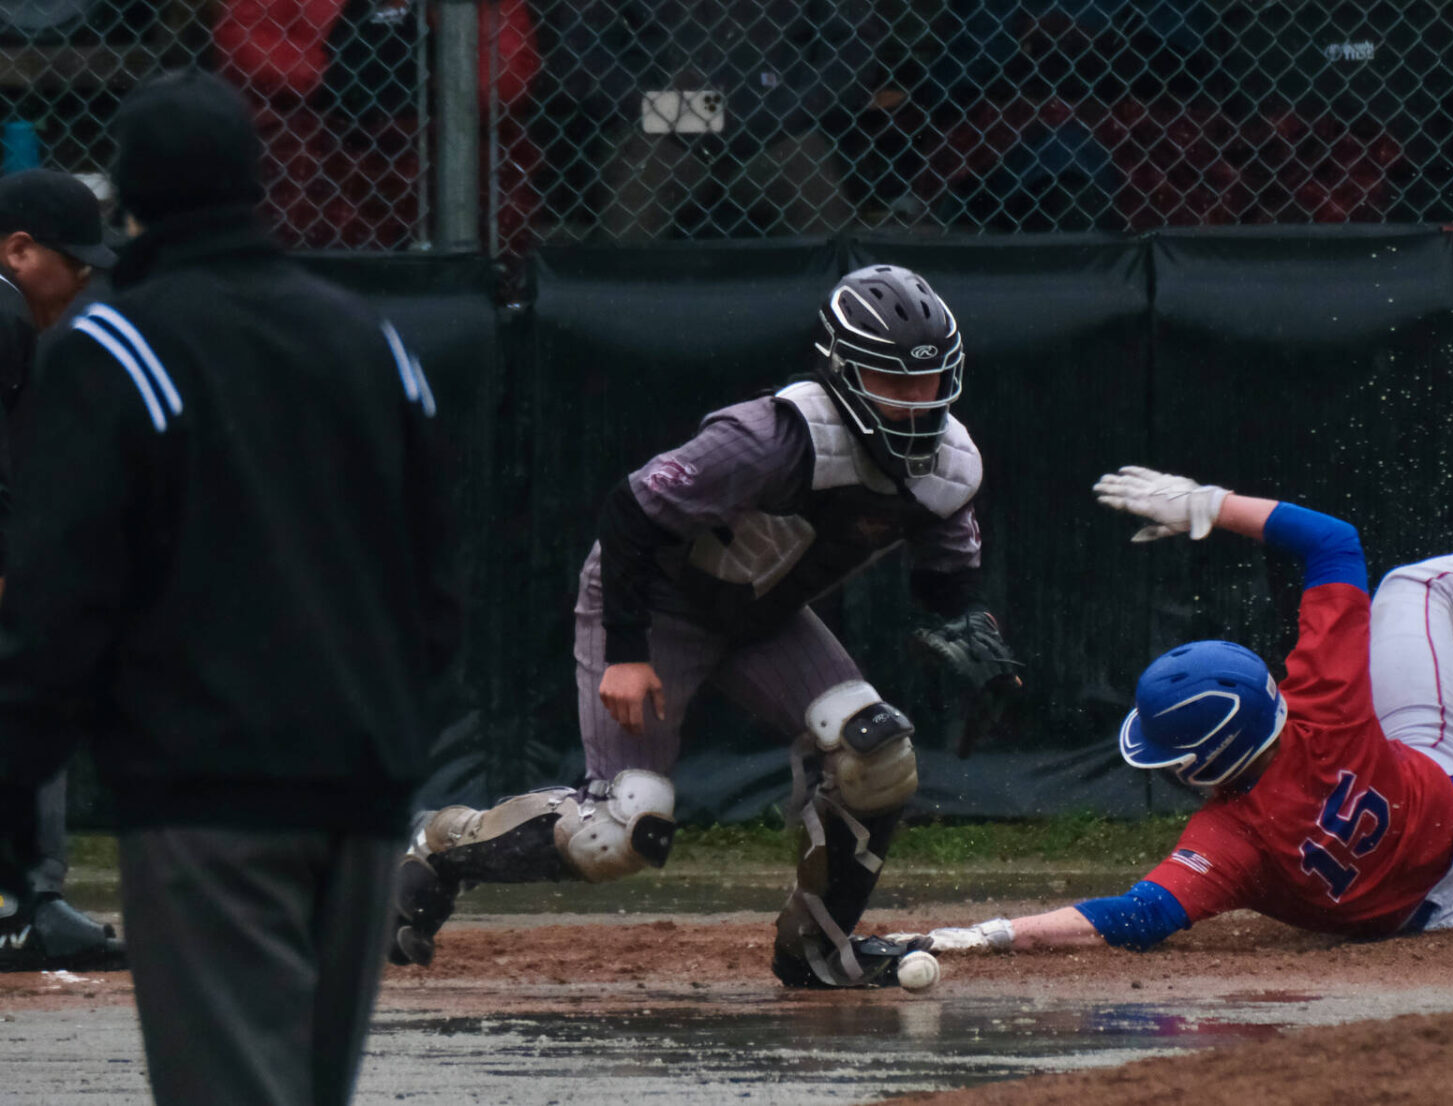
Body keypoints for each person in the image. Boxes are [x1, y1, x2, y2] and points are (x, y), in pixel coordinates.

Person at [0, 69, 458, 1106]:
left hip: (207, 788)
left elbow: (62, 597)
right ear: (257, 184)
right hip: (360, 785)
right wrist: (397, 737)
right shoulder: (367, 336)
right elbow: (435, 572)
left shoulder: (113, 346)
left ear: (129, 200)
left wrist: (19, 781)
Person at [390, 263, 1019, 987]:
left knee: (878, 757)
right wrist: (627, 651)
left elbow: (945, 578)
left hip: (763, 616)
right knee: (621, 830)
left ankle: (817, 951)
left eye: (930, 381)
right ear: (844, 372)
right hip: (660, 605)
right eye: (894, 383)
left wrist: (969, 628)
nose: (918, 403)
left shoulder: (948, 466)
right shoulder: (770, 438)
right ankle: (442, 843)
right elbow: (632, 514)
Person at [896, 398, 1453, 956]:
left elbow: (1134, 916)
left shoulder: (1232, 840)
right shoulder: (1323, 704)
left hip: (1430, 912)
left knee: (1414, 849)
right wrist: (1209, 503)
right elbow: (1334, 542)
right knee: (1414, 589)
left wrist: (993, 934)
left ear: (1204, 765)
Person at [0, 168, 125, 973]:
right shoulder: (4, 310)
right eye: (70, 261)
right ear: (18, 250)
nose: (81, 280)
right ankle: (27, 909)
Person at [530, 0, 878, 239]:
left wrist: (785, 110)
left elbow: (854, 44)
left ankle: (842, 319)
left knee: (817, 198)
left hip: (775, 130)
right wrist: (665, 108)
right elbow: (581, 51)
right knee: (634, 205)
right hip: (660, 131)